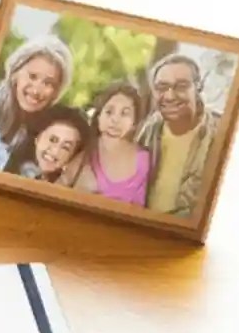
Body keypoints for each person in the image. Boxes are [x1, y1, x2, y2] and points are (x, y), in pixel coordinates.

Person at [0, 34, 74, 171]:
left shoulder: (39, 141)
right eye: (32, 76)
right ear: (15, 73)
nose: (36, 90)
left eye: (48, 83)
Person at [136, 53, 222, 217]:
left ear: (198, 87)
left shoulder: (221, 134)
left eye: (181, 86)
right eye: (162, 88)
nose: (170, 96)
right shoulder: (146, 131)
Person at [72, 81, 152, 206]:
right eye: (109, 111)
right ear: (99, 116)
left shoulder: (145, 161)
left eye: (125, 113)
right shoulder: (84, 154)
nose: (115, 120)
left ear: (134, 123)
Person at [4, 104, 91, 183]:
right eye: (53, 140)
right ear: (38, 137)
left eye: (65, 147)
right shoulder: (4, 162)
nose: (55, 151)